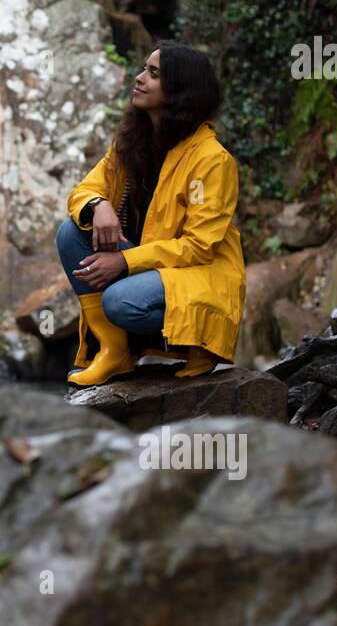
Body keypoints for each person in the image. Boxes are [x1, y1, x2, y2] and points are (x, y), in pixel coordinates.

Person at [55, 41, 246, 387]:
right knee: (70, 232)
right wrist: (99, 206)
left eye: (153, 73)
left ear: (179, 91)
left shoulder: (211, 160)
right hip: (151, 270)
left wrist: (124, 263)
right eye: (143, 69)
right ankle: (115, 353)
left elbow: (199, 247)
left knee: (119, 301)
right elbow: (83, 191)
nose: (140, 78)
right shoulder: (132, 141)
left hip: (199, 277)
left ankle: (195, 342)